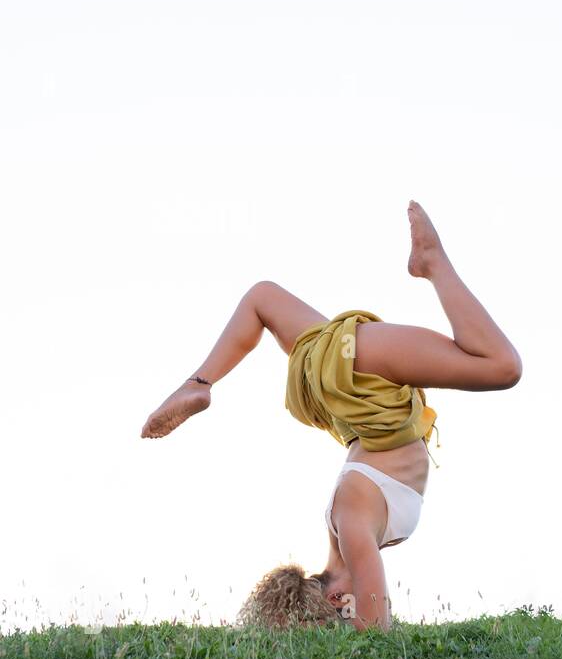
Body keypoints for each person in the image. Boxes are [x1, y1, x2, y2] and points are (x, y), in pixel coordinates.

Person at [142, 200, 522, 630]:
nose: (356, 608)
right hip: (335, 401)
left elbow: (377, 635)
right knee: (262, 299)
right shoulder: (353, 522)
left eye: (344, 614)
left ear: (338, 597)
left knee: (501, 366)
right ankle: (200, 382)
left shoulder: (352, 523)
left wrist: (361, 628)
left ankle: (432, 263)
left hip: (359, 385)